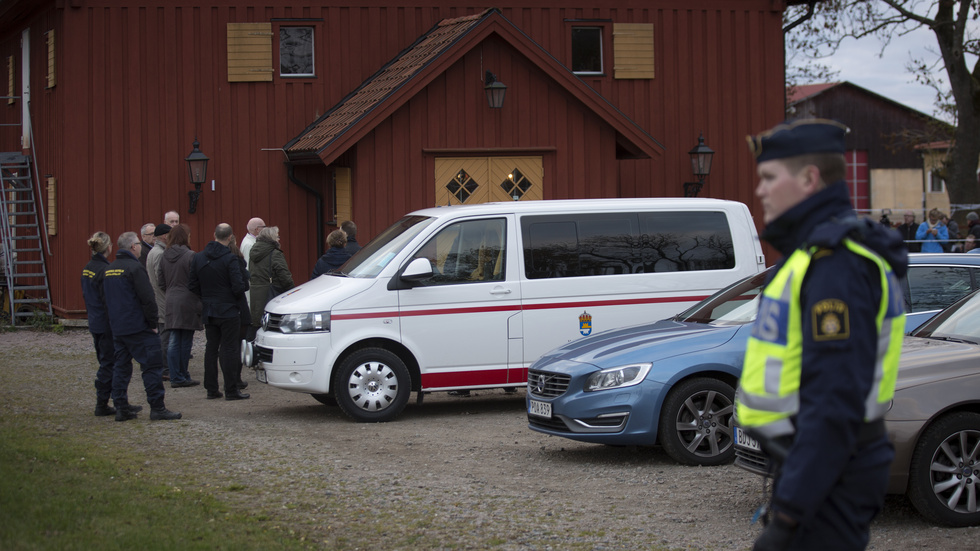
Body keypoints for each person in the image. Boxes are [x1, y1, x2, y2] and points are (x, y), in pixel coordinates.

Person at [738, 119, 906, 551]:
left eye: (770, 178)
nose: (760, 191)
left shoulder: (837, 266)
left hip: (830, 474)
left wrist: (791, 515)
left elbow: (834, 401)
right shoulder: (812, 255)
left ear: (810, 179)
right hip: (814, 468)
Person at [102, 231, 181, 421]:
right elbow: (147, 299)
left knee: (121, 368)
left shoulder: (110, 269)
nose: (139, 246)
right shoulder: (134, 268)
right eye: (138, 243)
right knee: (152, 367)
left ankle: (121, 407)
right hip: (138, 327)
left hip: (119, 328)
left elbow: (105, 299)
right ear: (133, 247)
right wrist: (152, 323)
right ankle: (157, 407)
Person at [189, 223, 250, 400]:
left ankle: (211, 388)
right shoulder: (230, 259)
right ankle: (231, 389)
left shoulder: (199, 258)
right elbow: (239, 287)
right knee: (230, 348)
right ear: (230, 237)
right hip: (228, 309)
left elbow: (192, 285)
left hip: (209, 308)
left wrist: (206, 297)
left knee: (211, 348)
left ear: (214, 235)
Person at [81, 231, 121, 417]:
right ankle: (103, 403)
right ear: (109, 248)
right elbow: (109, 301)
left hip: (95, 321)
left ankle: (108, 400)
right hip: (106, 324)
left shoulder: (88, 267)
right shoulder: (105, 270)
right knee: (108, 364)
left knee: (105, 361)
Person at [157, 224, 202, 388]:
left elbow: (160, 281)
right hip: (188, 300)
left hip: (171, 299)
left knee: (174, 339)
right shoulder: (191, 255)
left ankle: (176, 375)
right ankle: (181, 375)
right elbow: (197, 280)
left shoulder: (164, 256)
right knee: (185, 340)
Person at [248, 226, 294, 340]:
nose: (279, 239)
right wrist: (292, 291)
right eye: (277, 236)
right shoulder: (275, 253)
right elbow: (284, 276)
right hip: (272, 294)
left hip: (256, 293)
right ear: (272, 238)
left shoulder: (253, 252)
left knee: (257, 325)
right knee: (272, 327)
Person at [145, 223, 172, 380]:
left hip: (158, 296)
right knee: (165, 335)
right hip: (162, 298)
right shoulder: (160, 253)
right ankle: (164, 368)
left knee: (163, 334)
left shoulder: (153, 251)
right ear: (165, 236)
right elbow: (161, 278)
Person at [241, 217, 265, 308]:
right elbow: (248, 267)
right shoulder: (249, 244)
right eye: (264, 227)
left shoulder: (252, 241)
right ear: (257, 229)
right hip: (252, 286)